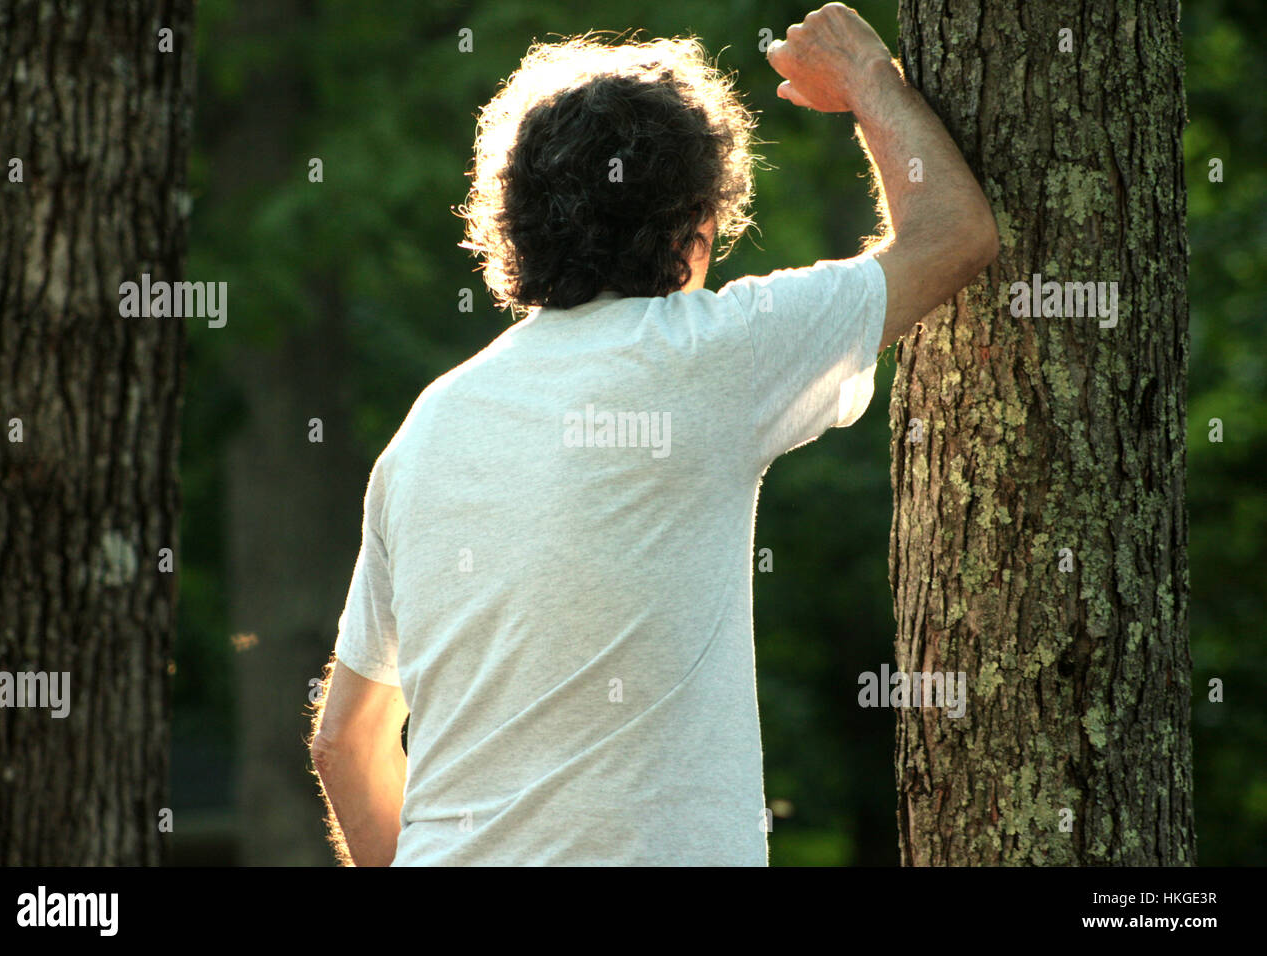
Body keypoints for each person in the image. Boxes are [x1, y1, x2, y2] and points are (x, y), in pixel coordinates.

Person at [310, 2, 998, 866]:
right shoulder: (706, 356)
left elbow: (346, 743)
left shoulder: (424, 431)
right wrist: (868, 80)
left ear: (513, 223)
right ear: (696, 227)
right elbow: (955, 236)